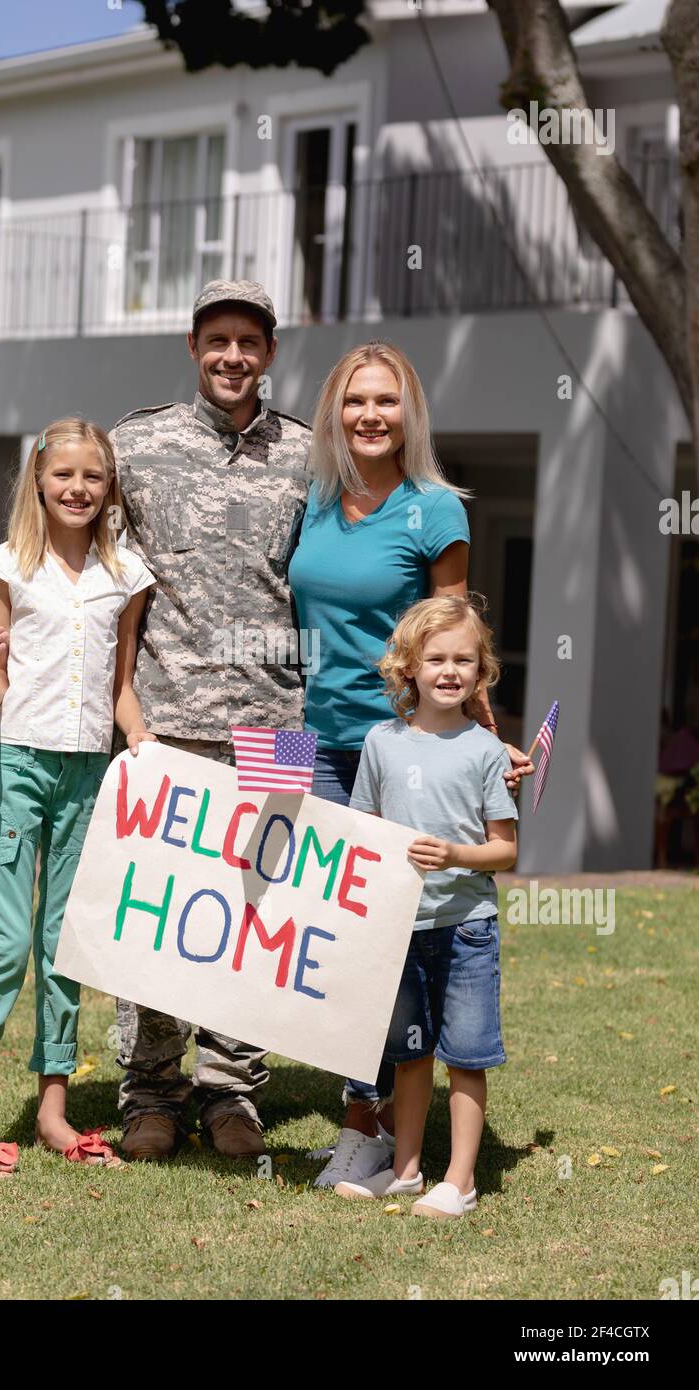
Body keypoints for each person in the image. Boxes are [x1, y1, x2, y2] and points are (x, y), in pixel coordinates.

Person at [288, 341, 532, 1188]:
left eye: (387, 401)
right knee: (337, 933)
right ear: (335, 410)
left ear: (409, 413)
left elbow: (455, 635)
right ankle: (366, 1118)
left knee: (396, 935)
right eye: (356, 400)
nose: (370, 416)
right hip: (309, 739)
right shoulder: (313, 499)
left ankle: (380, 1124)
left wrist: (482, 735)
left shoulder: (436, 510)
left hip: (402, 748)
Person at [109, 279, 313, 1160]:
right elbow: (89, 563)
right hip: (168, 717)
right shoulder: (135, 443)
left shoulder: (311, 454)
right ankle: (150, 1092)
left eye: (251, 342)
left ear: (270, 353)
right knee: (158, 907)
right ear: (194, 349)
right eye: (217, 340)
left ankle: (233, 1092)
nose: (234, 355)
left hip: (280, 720)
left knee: (255, 906)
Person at [0, 418, 155, 1177]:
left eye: (93, 477)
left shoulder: (126, 575)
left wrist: (145, 745)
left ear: (109, 485)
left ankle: (54, 1110)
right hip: (19, 762)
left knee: (64, 942)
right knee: (7, 938)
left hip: (88, 771)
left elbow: (121, 688)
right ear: (38, 479)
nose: (79, 489)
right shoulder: (7, 566)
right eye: (64, 475)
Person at [333, 595, 518, 1215]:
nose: (449, 670)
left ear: (481, 671)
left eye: (464, 660)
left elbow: (505, 851)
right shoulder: (381, 743)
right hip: (399, 931)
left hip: (466, 929)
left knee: (465, 1058)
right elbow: (362, 828)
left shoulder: (487, 752)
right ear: (407, 666)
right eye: (435, 657)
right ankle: (407, 1170)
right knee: (409, 1054)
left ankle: (460, 1181)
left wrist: (456, 856)